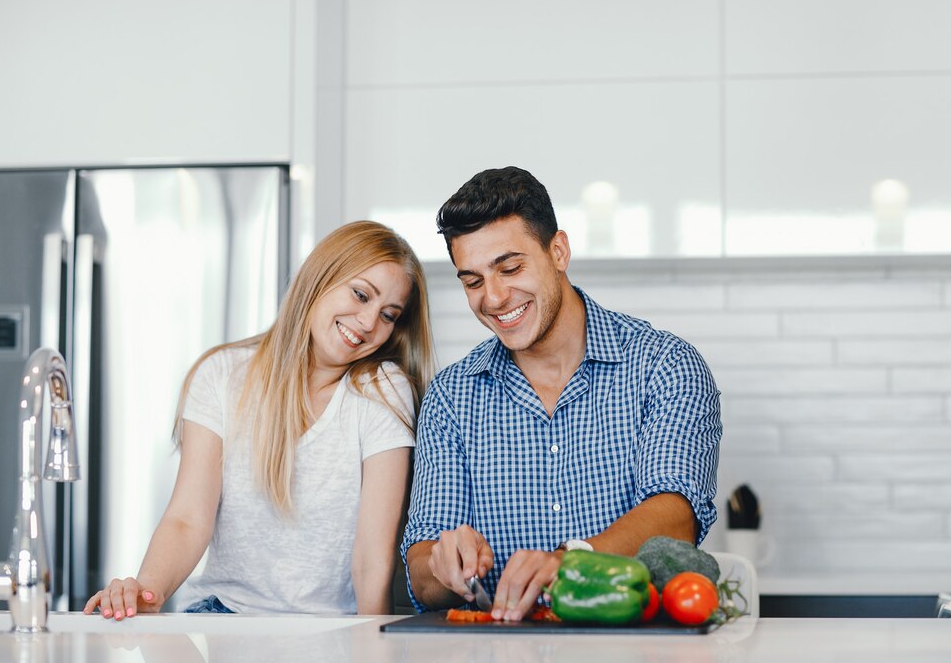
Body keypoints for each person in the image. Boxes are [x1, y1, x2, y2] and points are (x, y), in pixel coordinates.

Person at [401, 166, 722, 621]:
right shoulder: (453, 397)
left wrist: (569, 558)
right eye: (472, 281)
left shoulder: (664, 367)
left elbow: (675, 516)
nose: (492, 298)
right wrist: (443, 565)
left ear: (558, 251)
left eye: (509, 268)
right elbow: (420, 570)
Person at [84, 220, 436, 618]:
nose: (369, 323)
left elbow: (372, 558)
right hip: (224, 616)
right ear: (319, 279)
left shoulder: (382, 390)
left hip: (329, 631)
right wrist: (145, 594)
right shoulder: (221, 375)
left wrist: (373, 649)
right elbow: (187, 519)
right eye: (360, 295)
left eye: (388, 315)